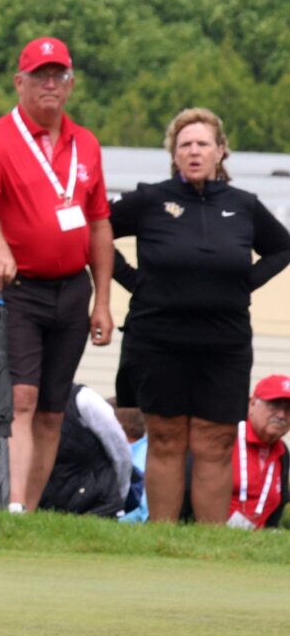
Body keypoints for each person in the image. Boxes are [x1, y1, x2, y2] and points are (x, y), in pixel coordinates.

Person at [109, 107, 290, 523]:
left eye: (202, 144)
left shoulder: (243, 206)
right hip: (158, 338)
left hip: (223, 343)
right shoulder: (151, 199)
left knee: (216, 440)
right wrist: (133, 282)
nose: (194, 152)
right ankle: (162, 535)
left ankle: (209, 543)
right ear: (174, 155)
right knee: (167, 438)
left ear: (221, 152)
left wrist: (244, 282)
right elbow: (95, 228)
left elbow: (282, 248)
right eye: (184, 145)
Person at [0, 37, 114, 512]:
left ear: (70, 84)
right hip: (18, 286)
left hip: (71, 289)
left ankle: (29, 509)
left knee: (52, 407)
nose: (50, 84)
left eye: (59, 75)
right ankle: (11, 505)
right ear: (20, 82)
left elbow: (98, 222)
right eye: (40, 75)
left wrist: (103, 300)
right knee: (21, 399)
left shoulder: (85, 143)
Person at [36, 385, 133, 517]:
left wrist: (118, 497)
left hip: (95, 507)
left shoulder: (85, 399)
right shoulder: (11, 402)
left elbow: (121, 455)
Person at [228, 376, 290, 530]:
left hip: (254, 545)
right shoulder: (226, 439)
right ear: (252, 403)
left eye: (289, 409)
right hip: (209, 540)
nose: (282, 415)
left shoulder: (283, 453)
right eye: (274, 405)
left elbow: (277, 507)